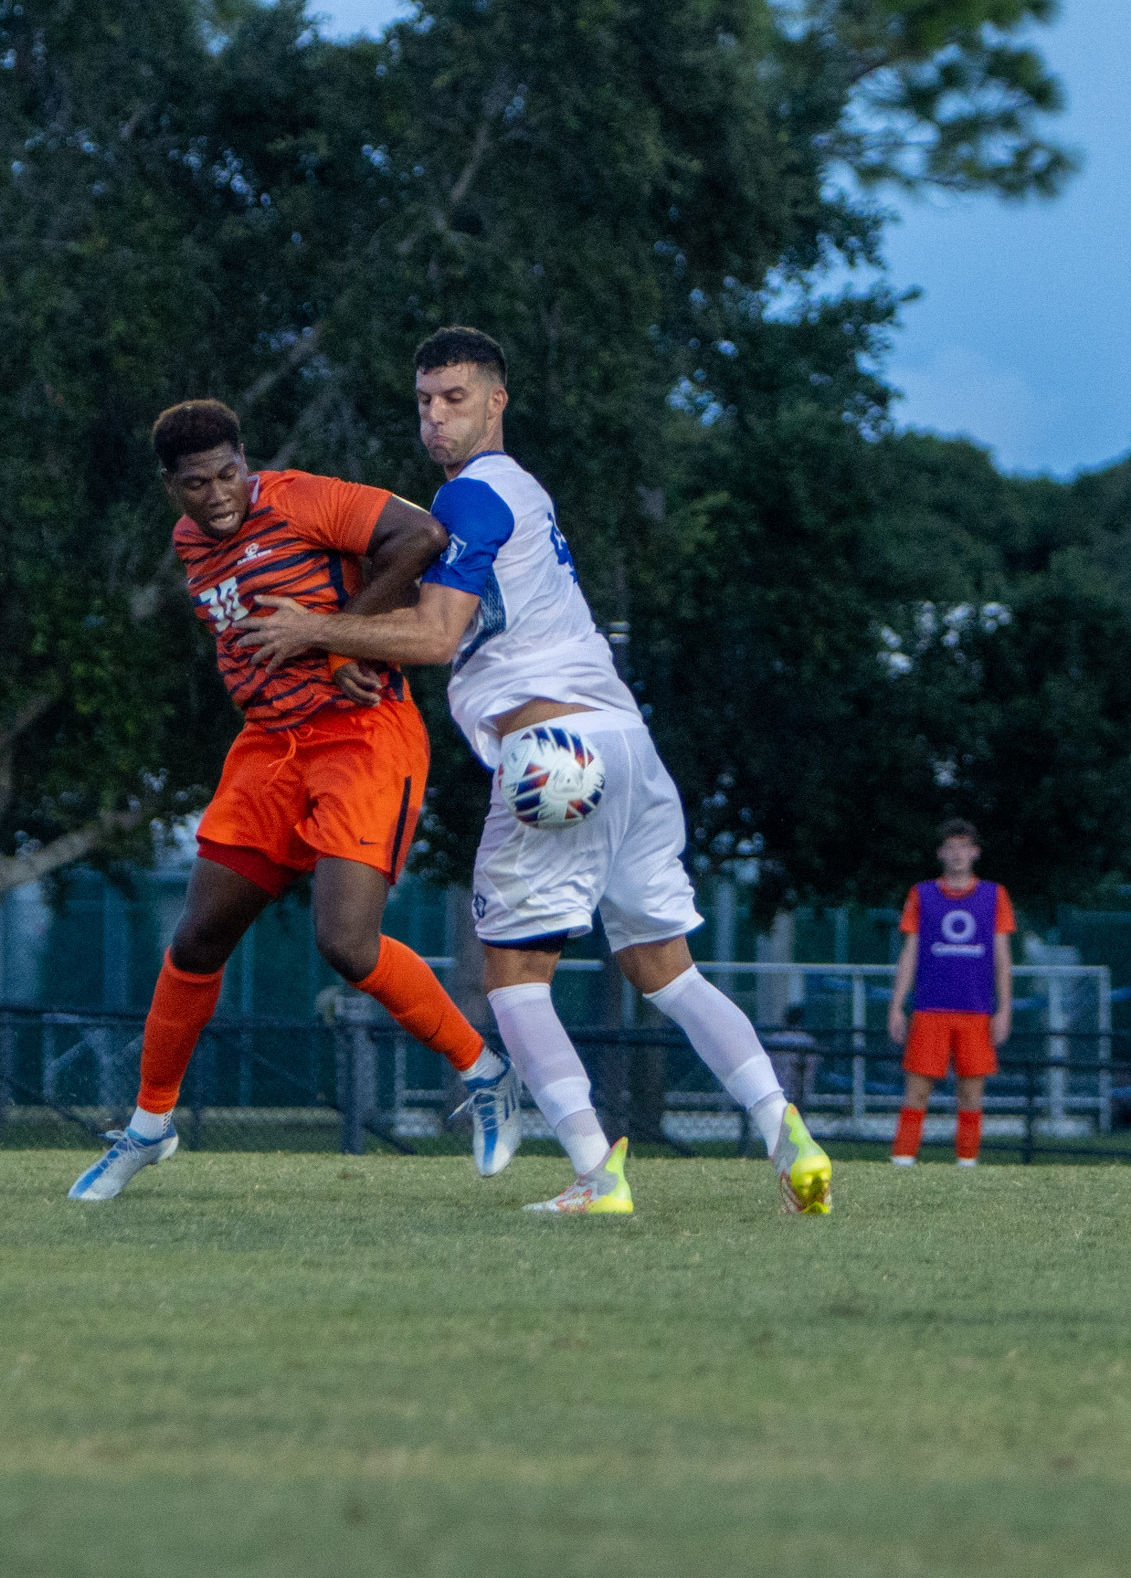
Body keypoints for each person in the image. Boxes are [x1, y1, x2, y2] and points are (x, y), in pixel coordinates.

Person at [240, 328, 832, 1215]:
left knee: (513, 980)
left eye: (454, 399)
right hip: (628, 747)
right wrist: (363, 645)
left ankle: (597, 1173)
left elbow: (439, 637)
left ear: (495, 401)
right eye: (424, 402)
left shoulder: (473, 498)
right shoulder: (519, 493)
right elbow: (456, 623)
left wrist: (313, 630)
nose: (435, 419)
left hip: (553, 754)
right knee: (665, 969)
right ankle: (784, 1129)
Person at [67, 399, 522, 1201]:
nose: (216, 495)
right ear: (170, 487)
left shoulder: (301, 496)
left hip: (359, 736)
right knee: (197, 939)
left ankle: (484, 1074)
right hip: (267, 747)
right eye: (195, 483)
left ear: (248, 463)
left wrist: (335, 632)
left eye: (227, 475)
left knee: (345, 944)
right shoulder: (186, 540)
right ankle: (148, 1126)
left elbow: (420, 535)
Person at [886, 820, 1015, 1167]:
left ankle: (967, 1164)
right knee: (917, 1091)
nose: (957, 854)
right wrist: (896, 1006)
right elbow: (910, 953)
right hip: (930, 1008)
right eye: (950, 847)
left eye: (964, 846)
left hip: (975, 1010)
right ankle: (902, 1161)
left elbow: (1002, 958)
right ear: (941, 853)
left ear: (975, 852)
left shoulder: (993, 895)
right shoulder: (923, 894)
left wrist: (1004, 1009)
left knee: (971, 1094)